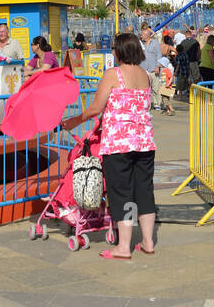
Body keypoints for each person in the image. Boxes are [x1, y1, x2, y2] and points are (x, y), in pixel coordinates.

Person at [61, 32, 157, 260]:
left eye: (115, 49)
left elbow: (96, 108)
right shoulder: (145, 75)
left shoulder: (113, 74)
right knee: (144, 191)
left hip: (118, 144)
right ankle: (148, 241)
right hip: (144, 142)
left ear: (119, 52)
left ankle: (123, 247)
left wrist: (74, 120)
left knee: (121, 192)